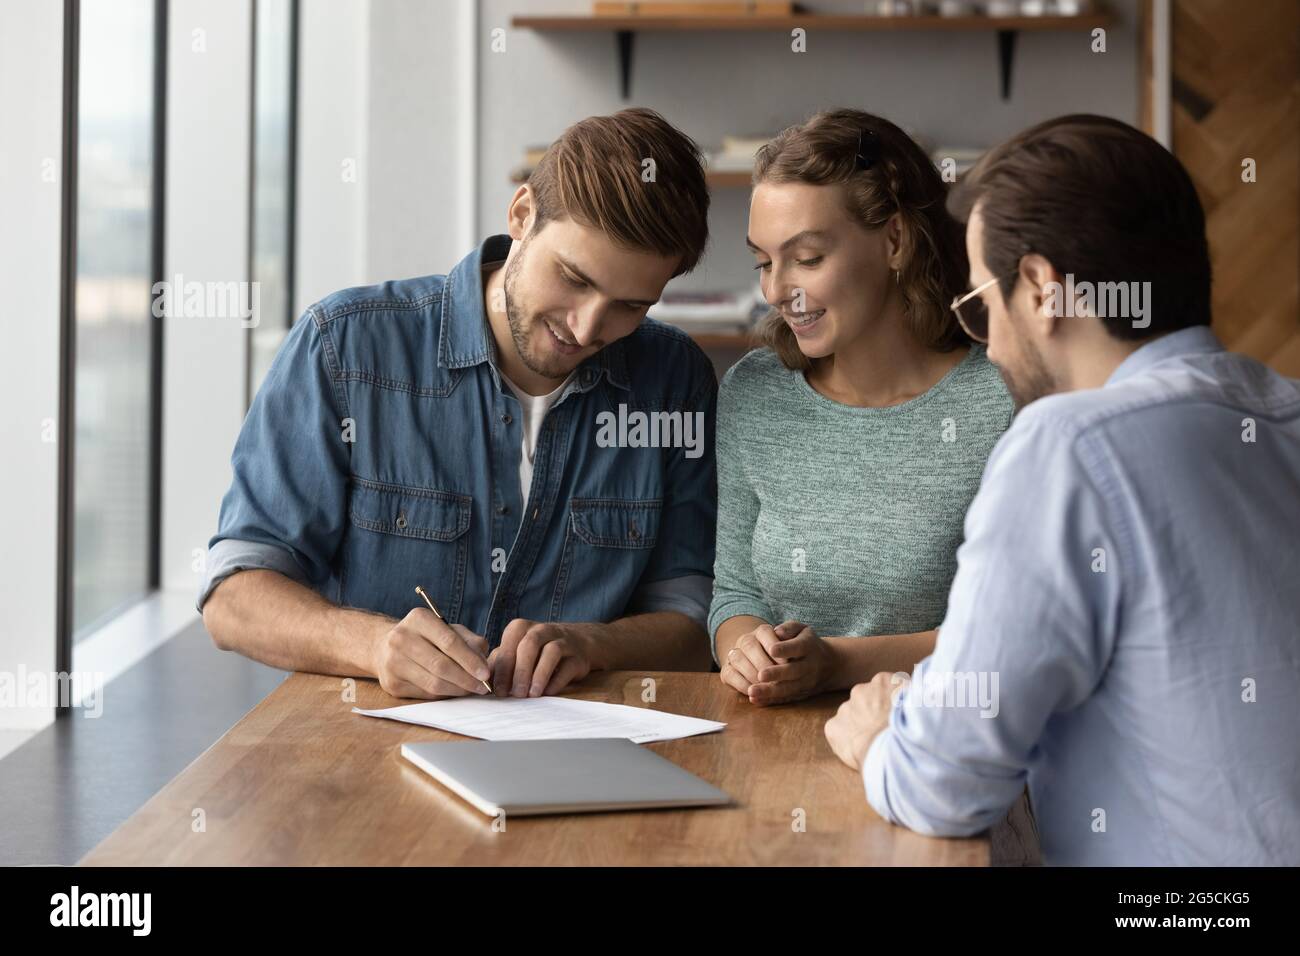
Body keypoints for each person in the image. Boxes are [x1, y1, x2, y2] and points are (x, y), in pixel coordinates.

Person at [825, 114, 1300, 865]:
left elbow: (945, 783)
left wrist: (882, 736)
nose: (987, 340)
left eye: (983, 304)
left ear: (1042, 290)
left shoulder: (1070, 445)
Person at [200, 108, 718, 701]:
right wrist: (373, 645)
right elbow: (233, 596)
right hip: (365, 754)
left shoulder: (675, 382)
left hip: (591, 751)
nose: (587, 327)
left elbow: (691, 620)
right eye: (574, 278)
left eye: (630, 306)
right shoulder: (342, 347)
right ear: (522, 215)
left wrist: (597, 645)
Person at [710, 109, 1012, 705]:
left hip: (943, 751)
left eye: (808, 258)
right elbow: (735, 591)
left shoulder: (1000, 400)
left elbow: (1010, 633)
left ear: (894, 241)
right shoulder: (755, 392)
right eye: (764, 262)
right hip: (774, 748)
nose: (775, 291)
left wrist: (833, 663)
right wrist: (747, 650)